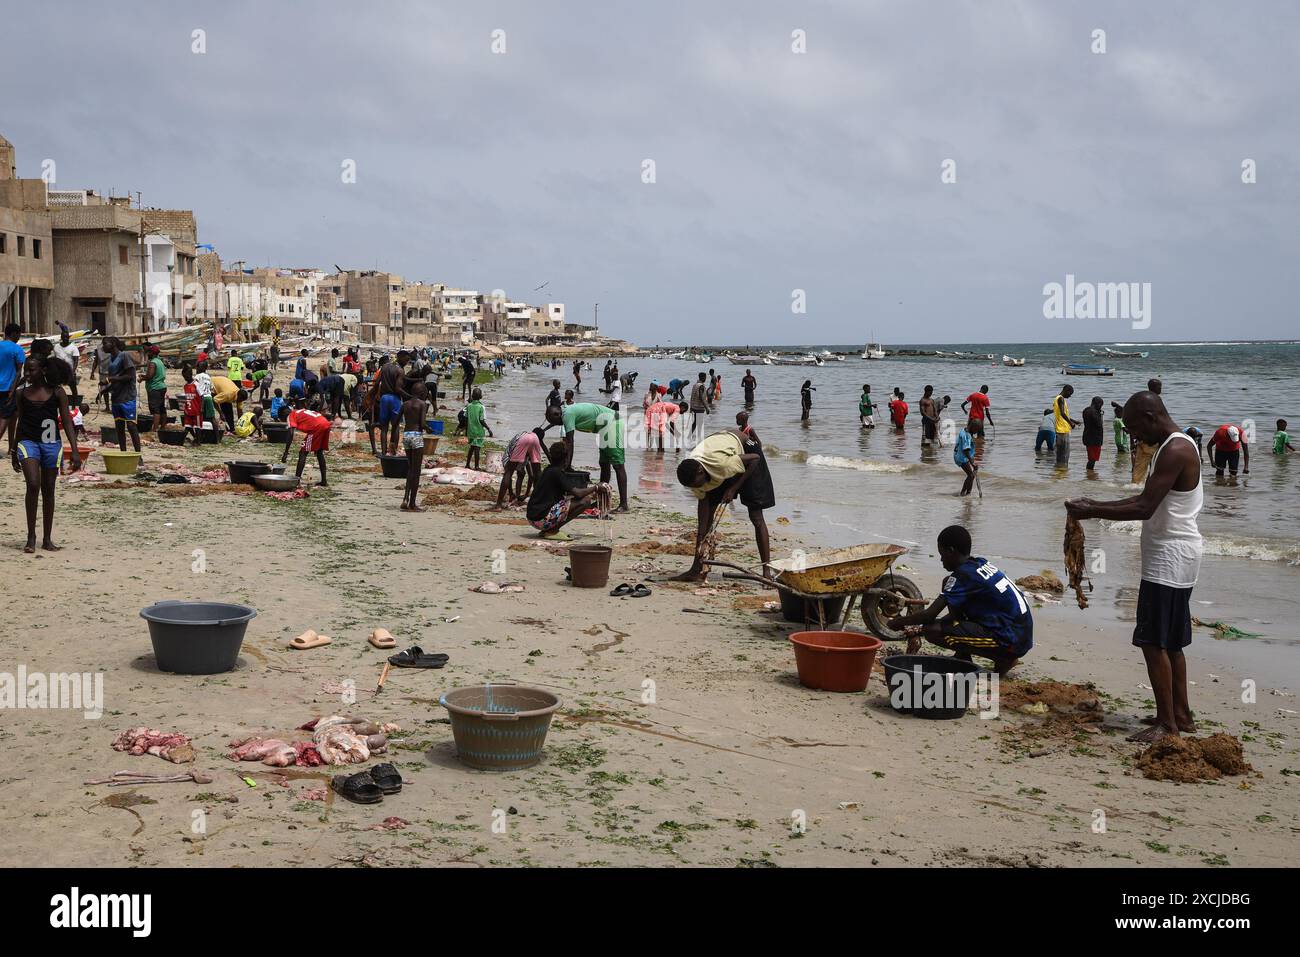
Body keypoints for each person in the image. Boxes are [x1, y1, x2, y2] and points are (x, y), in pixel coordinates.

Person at [1066, 391, 1202, 742]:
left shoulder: (1175, 449)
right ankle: (1180, 715)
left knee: (1152, 640)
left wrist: (1091, 508)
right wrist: (1093, 504)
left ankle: (1166, 725)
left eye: (1134, 427)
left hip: (1169, 559)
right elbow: (1143, 500)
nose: (1132, 435)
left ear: (1150, 416)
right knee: (1171, 641)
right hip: (1176, 556)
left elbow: (1144, 508)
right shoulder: (1174, 444)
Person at [887, 525, 1032, 677]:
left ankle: (1003, 659)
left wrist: (899, 622)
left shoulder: (963, 575)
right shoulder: (979, 563)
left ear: (951, 551)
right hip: (1018, 630)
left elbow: (928, 616)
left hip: (1011, 640)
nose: (941, 559)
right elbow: (952, 612)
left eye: (942, 554)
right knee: (946, 585)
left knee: (932, 631)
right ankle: (962, 656)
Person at [672, 427, 774, 582]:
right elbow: (704, 509)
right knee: (705, 524)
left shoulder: (721, 464)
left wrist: (733, 488)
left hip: (748, 451)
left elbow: (754, 459)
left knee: (756, 516)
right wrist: (701, 534)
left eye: (700, 484)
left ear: (701, 472)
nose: (699, 488)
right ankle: (696, 569)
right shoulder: (693, 475)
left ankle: (766, 571)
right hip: (724, 450)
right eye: (696, 487)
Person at [8, 355, 80, 553]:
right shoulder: (21, 394)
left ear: (43, 370)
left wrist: (74, 450)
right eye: (27, 371)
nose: (28, 374)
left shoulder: (58, 393)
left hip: (51, 445)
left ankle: (47, 539)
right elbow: (21, 422)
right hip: (27, 443)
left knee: (48, 489)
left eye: (32, 370)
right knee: (33, 484)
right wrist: (14, 449)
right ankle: (31, 537)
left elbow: (66, 422)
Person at [527, 441, 608, 535]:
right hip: (540, 520)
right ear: (566, 459)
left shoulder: (548, 470)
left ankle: (549, 529)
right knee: (585, 501)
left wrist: (592, 493)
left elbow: (571, 494)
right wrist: (596, 487)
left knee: (577, 499)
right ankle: (552, 530)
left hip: (532, 518)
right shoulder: (557, 473)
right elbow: (578, 493)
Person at [494, 410, 562, 510]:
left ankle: (498, 505)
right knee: (538, 473)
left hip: (523, 439)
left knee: (508, 472)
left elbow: (509, 471)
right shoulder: (535, 439)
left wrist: (514, 492)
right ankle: (538, 502)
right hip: (535, 440)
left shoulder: (521, 439)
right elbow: (532, 474)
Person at [282, 397, 332, 486]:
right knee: (319, 452)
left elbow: (290, 433)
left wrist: (286, 452)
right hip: (325, 423)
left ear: (283, 415)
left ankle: (296, 481)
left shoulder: (290, 416)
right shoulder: (300, 411)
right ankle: (324, 481)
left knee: (303, 452)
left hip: (316, 428)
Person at [104, 337, 142, 453]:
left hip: (127, 397)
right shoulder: (111, 359)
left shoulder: (124, 356)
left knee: (131, 426)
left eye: (105, 343)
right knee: (119, 428)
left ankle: (138, 455)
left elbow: (130, 376)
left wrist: (110, 378)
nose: (103, 346)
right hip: (116, 397)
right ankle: (123, 453)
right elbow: (116, 379)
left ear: (113, 344)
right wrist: (104, 390)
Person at [399, 382, 432, 511]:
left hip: (406, 435)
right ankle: (412, 504)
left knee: (410, 469)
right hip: (417, 435)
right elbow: (422, 423)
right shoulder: (422, 404)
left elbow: (396, 421)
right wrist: (428, 429)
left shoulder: (405, 404)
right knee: (416, 471)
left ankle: (405, 498)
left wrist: (392, 441)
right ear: (422, 393)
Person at [0, 324, 27, 444]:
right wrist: (12, 390)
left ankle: (11, 446)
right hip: (7, 389)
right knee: (5, 418)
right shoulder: (17, 349)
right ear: (14, 333)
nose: (19, 337)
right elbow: (18, 373)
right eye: (19, 335)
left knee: (12, 415)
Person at [141, 345, 168, 436]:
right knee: (161, 408)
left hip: (155, 388)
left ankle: (155, 429)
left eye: (149, 352)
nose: (148, 353)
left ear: (151, 353)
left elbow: (150, 376)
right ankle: (163, 427)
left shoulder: (153, 363)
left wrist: (142, 378)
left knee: (156, 409)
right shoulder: (160, 361)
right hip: (162, 387)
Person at [465, 387, 491, 470]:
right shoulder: (481, 407)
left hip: (470, 431)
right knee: (477, 448)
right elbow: (482, 420)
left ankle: (467, 464)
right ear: (481, 396)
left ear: (472, 396)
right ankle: (476, 466)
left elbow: (466, 418)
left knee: (472, 447)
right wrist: (488, 429)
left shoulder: (468, 406)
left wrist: (466, 430)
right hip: (478, 431)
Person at [1052, 384, 1079, 466]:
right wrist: (1071, 424)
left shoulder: (1057, 398)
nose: (1070, 396)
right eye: (1070, 394)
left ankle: (1059, 471)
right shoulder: (1061, 399)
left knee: (1060, 454)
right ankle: (1062, 472)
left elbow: (1062, 415)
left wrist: (1074, 421)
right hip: (1062, 430)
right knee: (1064, 454)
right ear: (1067, 391)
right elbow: (1062, 413)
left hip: (1060, 430)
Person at [1082, 396, 1104, 473]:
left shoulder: (1086, 410)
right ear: (1097, 403)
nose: (1101, 407)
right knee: (1092, 459)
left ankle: (1089, 473)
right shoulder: (1094, 412)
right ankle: (1089, 473)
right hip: (1094, 438)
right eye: (1101, 405)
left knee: (1091, 458)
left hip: (1087, 436)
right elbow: (1099, 424)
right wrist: (1100, 415)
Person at [953, 423, 977, 496]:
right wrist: (972, 462)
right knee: (971, 475)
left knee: (971, 475)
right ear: (972, 427)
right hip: (962, 457)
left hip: (960, 455)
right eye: (976, 430)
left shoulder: (964, 431)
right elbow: (966, 450)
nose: (976, 433)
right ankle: (964, 493)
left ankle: (967, 492)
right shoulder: (966, 436)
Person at [180, 363, 202, 438]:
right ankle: (195, 438)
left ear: (189, 374)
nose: (185, 378)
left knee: (197, 426)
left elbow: (202, 396)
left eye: (186, 376)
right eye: (184, 377)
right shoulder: (185, 386)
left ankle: (198, 440)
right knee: (188, 426)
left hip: (196, 410)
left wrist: (201, 408)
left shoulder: (196, 384)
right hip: (188, 409)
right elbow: (186, 398)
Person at [194, 360, 218, 431]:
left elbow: (195, 387)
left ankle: (200, 436)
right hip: (209, 397)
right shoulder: (208, 377)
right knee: (212, 418)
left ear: (202, 368)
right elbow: (211, 389)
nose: (197, 368)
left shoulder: (197, 376)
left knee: (200, 417)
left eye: (198, 367)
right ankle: (217, 438)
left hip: (202, 398)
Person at [688, 372, 711, 438]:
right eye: (705, 377)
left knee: (696, 422)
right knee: (699, 422)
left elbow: (692, 396)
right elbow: (701, 397)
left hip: (694, 406)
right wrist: (707, 408)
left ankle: (690, 435)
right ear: (703, 377)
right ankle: (698, 436)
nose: (705, 379)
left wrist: (691, 407)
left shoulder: (695, 385)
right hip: (699, 407)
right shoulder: (701, 386)